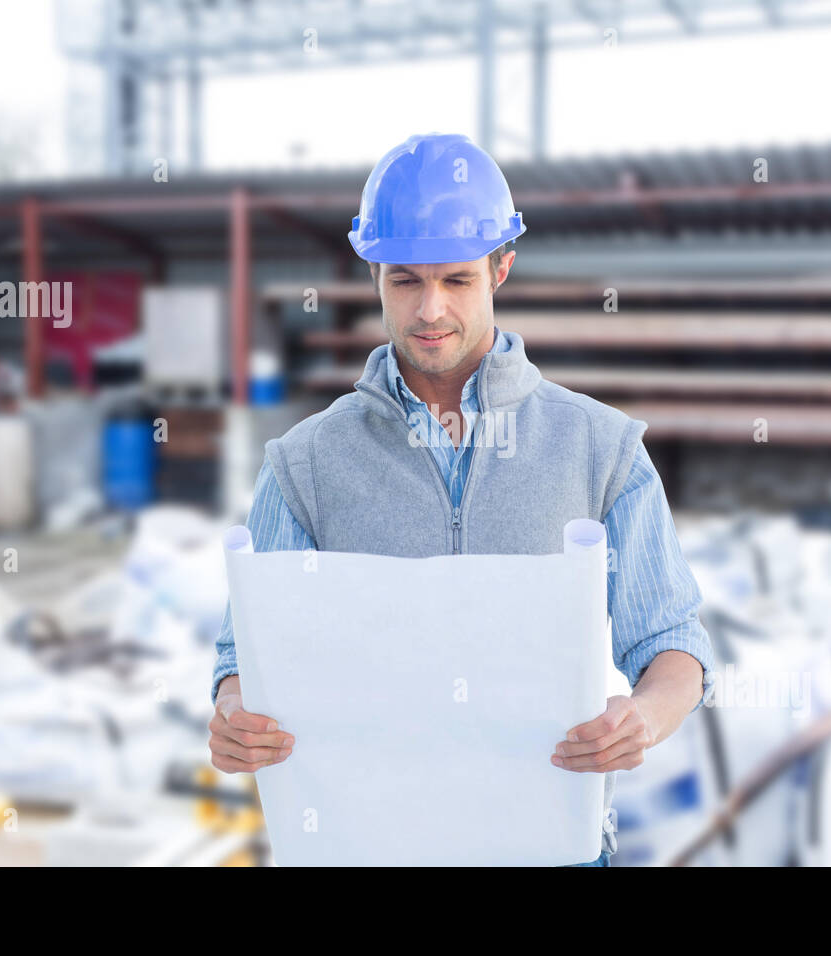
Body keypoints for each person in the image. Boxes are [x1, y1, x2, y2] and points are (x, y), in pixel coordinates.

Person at [209, 132, 714, 866]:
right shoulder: (306, 463)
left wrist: (643, 717)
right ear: (376, 276)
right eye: (405, 281)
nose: (429, 310)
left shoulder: (599, 449)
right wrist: (231, 713)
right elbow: (245, 659)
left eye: (456, 280)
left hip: (552, 848)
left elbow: (672, 644)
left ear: (500, 268)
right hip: (366, 847)